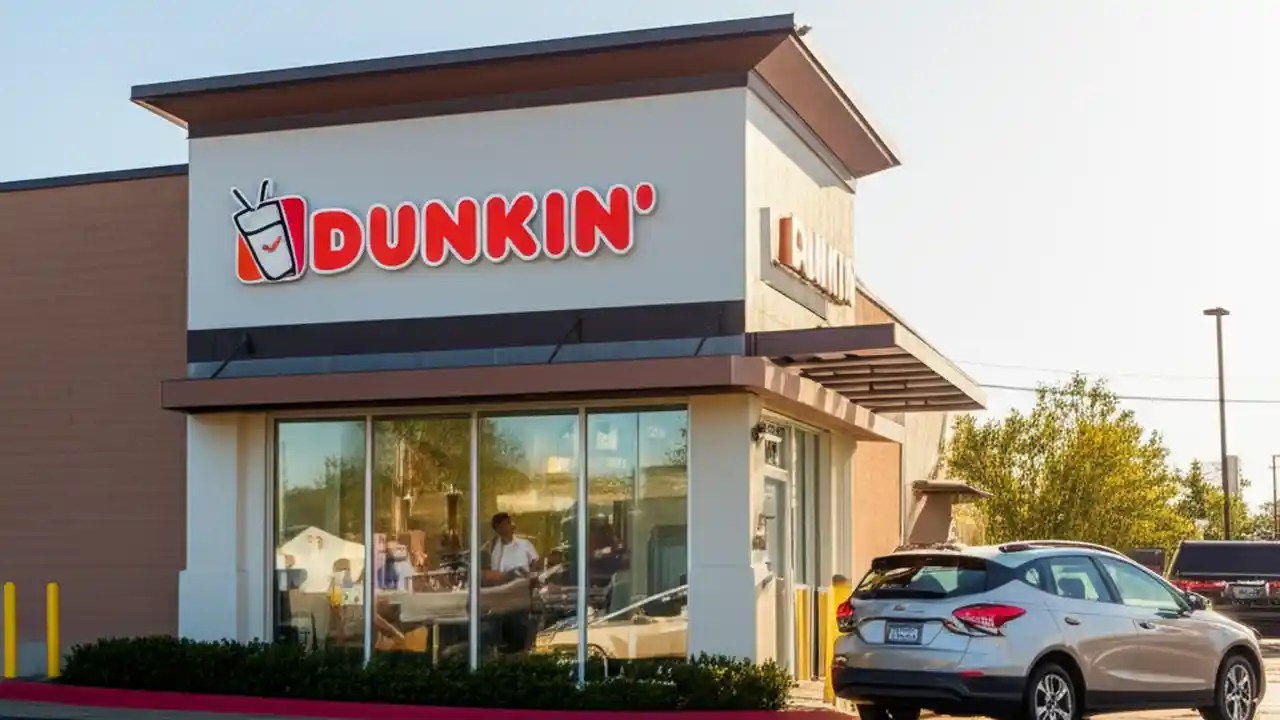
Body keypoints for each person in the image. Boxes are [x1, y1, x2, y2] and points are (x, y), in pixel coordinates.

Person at [480, 512, 539, 653]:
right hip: (506, 594)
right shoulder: (494, 550)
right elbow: (494, 575)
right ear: (497, 529)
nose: (506, 527)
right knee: (508, 625)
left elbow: (535, 561)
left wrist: (530, 575)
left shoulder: (524, 544)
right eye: (502, 525)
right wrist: (509, 576)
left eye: (507, 523)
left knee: (522, 625)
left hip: (524, 591)